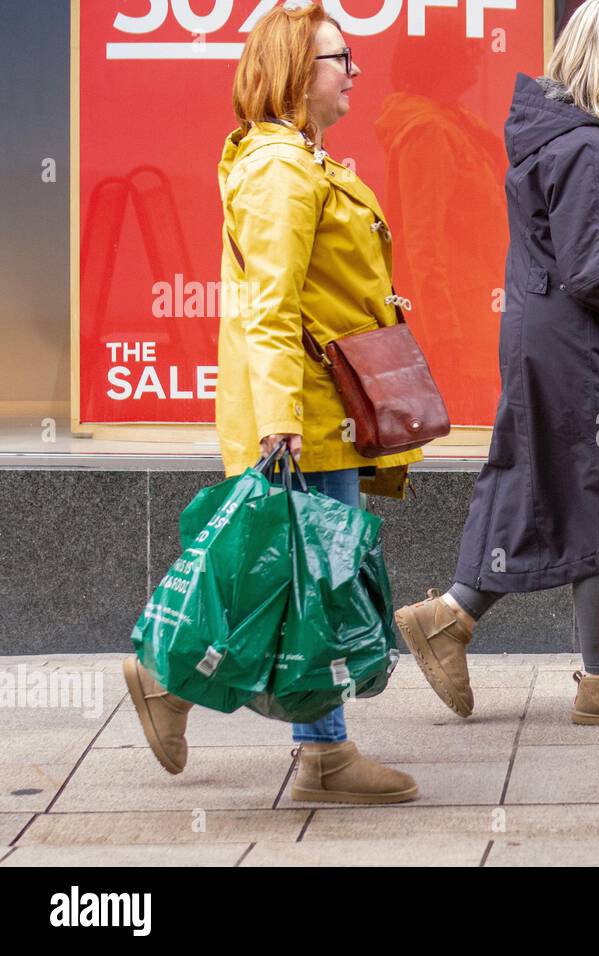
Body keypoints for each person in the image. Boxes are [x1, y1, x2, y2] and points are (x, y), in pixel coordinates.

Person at [121, 0, 422, 803]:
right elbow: (271, 307)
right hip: (307, 415)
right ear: (296, 74)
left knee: (296, 581)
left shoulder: (299, 159)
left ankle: (206, 698)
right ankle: (198, 691)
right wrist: (283, 418)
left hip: (321, 408)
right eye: (338, 58)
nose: (354, 71)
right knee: (307, 580)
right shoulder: (283, 170)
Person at [395, 0, 599, 727]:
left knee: (543, 482)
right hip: (580, 348)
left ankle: (451, 617)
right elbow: (598, 273)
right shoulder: (590, 150)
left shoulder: (570, 138)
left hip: (554, 342)